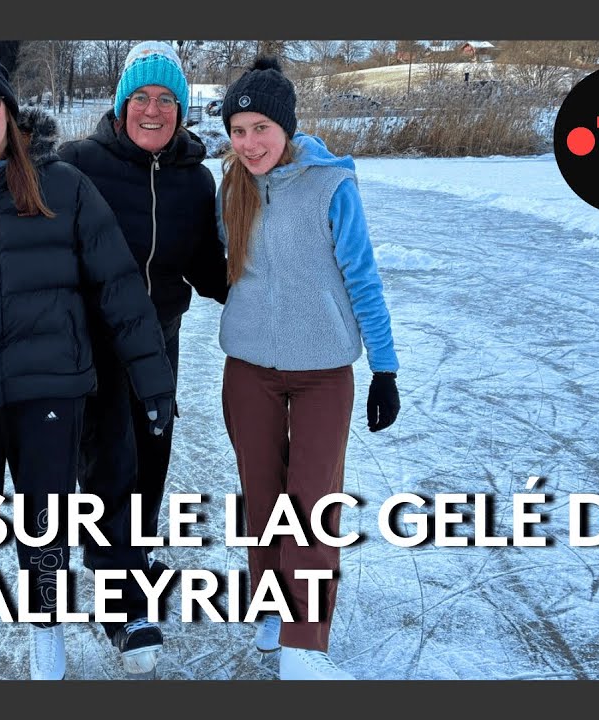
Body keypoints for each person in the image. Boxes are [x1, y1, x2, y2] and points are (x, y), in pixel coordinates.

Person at [0, 52, 176, 681]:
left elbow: (121, 289)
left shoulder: (65, 189)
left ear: (9, 109)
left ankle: (46, 640)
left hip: (50, 389)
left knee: (43, 528)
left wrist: (152, 381)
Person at [216, 56, 401, 681]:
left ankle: (303, 643)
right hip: (248, 369)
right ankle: (270, 605)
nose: (249, 144)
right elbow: (223, 265)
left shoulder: (331, 185)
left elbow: (363, 278)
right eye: (238, 132)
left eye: (261, 129)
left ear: (287, 127)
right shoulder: (231, 186)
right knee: (262, 499)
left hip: (324, 369)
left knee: (312, 502)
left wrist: (385, 368)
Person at [55, 40, 229, 674]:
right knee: (107, 463)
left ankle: (134, 557)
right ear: (121, 102)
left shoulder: (194, 176)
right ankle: (116, 594)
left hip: (159, 337)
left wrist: (274, 288)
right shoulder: (77, 164)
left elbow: (212, 267)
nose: (153, 111)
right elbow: (13, 207)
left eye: (166, 100)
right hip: (93, 341)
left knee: (152, 454)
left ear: (181, 109)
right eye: (141, 98)